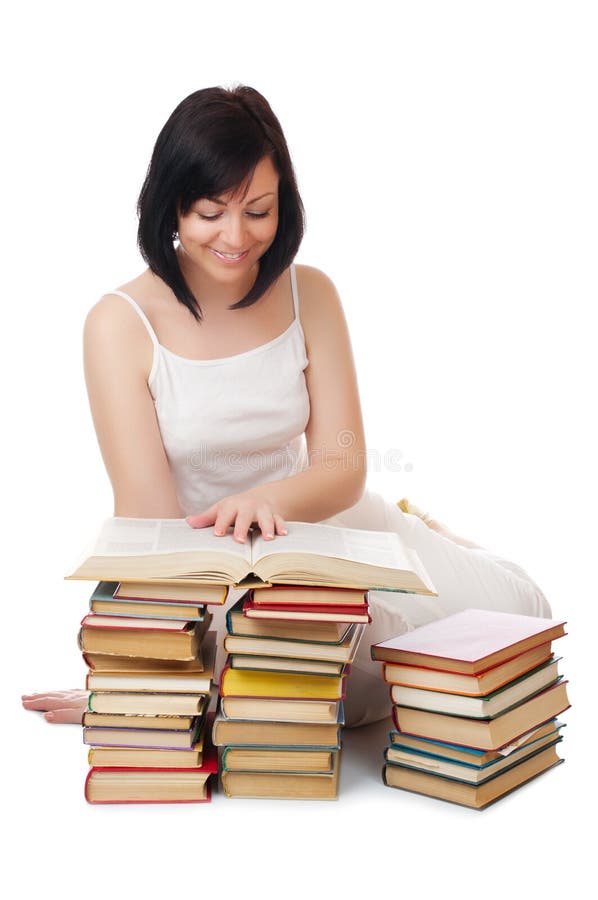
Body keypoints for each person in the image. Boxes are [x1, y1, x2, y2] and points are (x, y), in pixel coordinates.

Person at [22, 85, 550, 729]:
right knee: (357, 692)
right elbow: (149, 526)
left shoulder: (311, 292)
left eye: (259, 211)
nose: (236, 238)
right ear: (173, 208)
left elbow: (341, 466)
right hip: (213, 577)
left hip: (327, 525)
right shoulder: (119, 323)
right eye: (210, 213)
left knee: (527, 613)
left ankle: (427, 534)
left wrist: (270, 500)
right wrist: (141, 690)